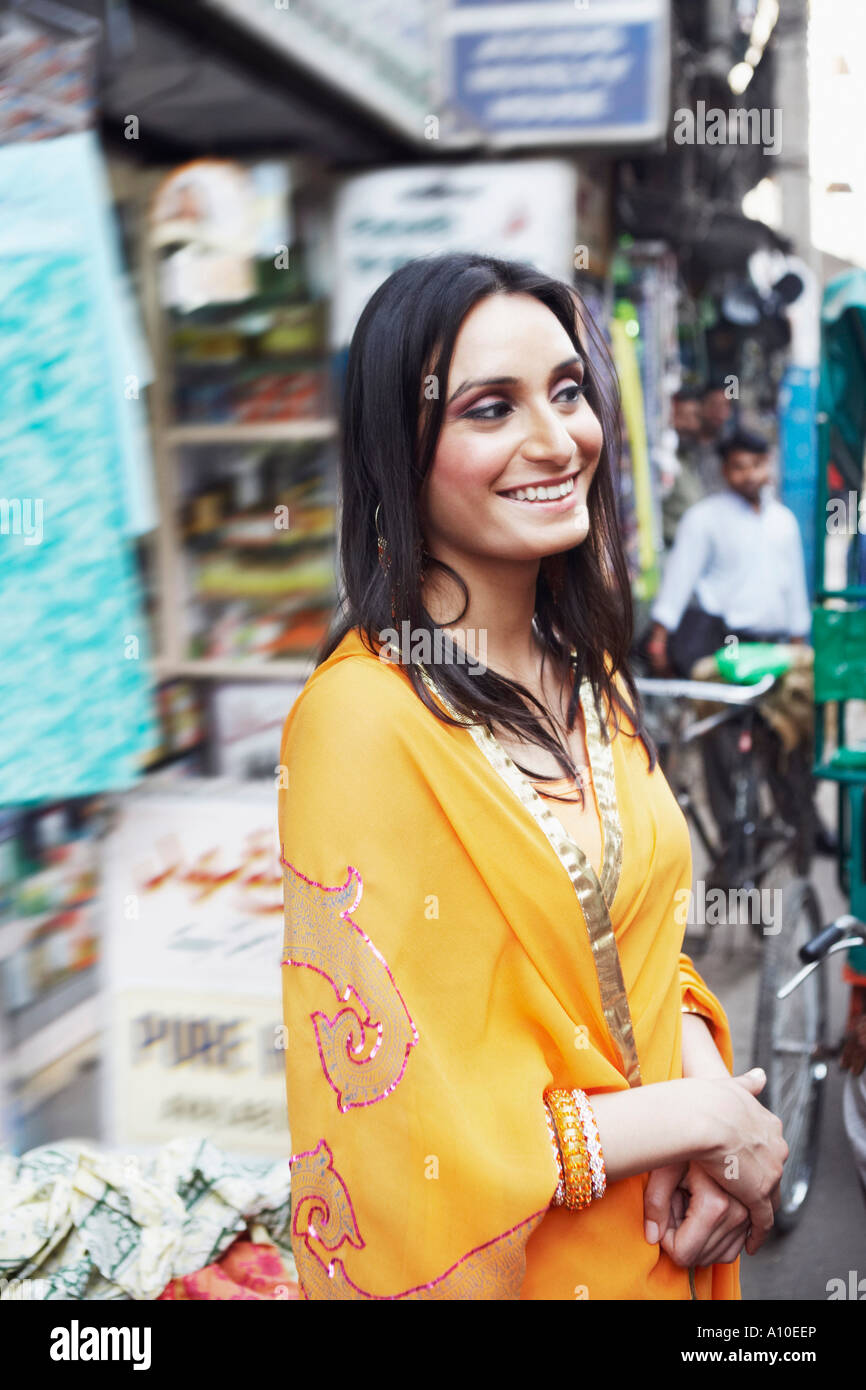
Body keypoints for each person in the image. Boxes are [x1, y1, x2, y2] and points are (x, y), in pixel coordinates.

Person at [278, 253, 786, 1302]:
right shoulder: (361, 724)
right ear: (396, 450)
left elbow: (634, 948)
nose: (557, 440)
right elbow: (404, 1135)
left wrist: (701, 1073)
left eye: (566, 391)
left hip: (672, 1258)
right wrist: (701, 1119)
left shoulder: (589, 671)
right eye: (489, 408)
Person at [647, 428, 823, 866]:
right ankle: (734, 845)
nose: (750, 474)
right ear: (726, 471)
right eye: (739, 466)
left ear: (768, 465)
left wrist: (798, 639)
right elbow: (679, 579)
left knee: (792, 736)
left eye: (756, 465)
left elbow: (793, 588)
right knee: (722, 745)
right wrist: (660, 637)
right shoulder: (704, 519)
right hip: (725, 651)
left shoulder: (783, 521)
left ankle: (800, 826)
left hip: (774, 651)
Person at [661, 386, 706, 548]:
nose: (690, 424)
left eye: (695, 417)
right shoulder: (660, 461)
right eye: (682, 416)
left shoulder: (691, 458)